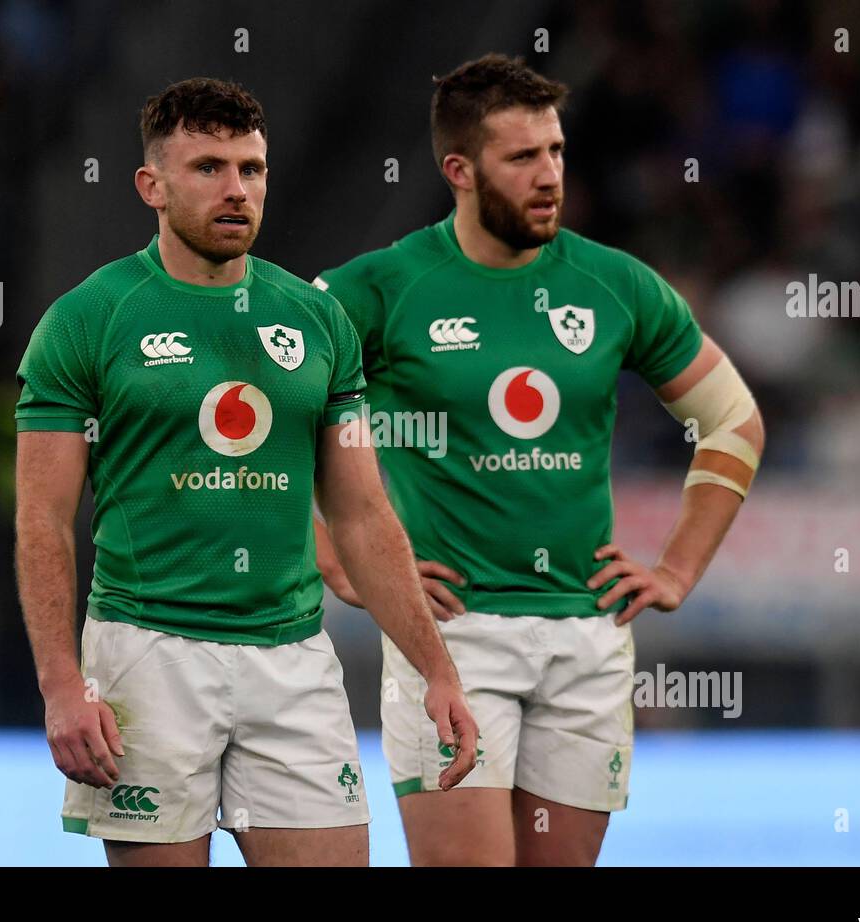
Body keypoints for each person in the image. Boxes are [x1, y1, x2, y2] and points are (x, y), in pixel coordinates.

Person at [312, 54, 765, 866]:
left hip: (587, 639)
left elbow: (732, 421)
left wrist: (678, 570)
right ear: (459, 169)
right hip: (450, 636)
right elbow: (255, 418)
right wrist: (333, 553)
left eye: (555, 151)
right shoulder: (379, 289)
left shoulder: (616, 284)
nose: (549, 174)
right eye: (522, 157)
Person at [13, 77, 477, 867]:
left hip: (292, 660)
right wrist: (62, 684)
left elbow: (362, 514)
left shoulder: (318, 320)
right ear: (150, 186)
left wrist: (436, 668)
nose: (237, 190)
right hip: (146, 658)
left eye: (252, 169)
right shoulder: (87, 320)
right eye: (209, 168)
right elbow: (43, 521)